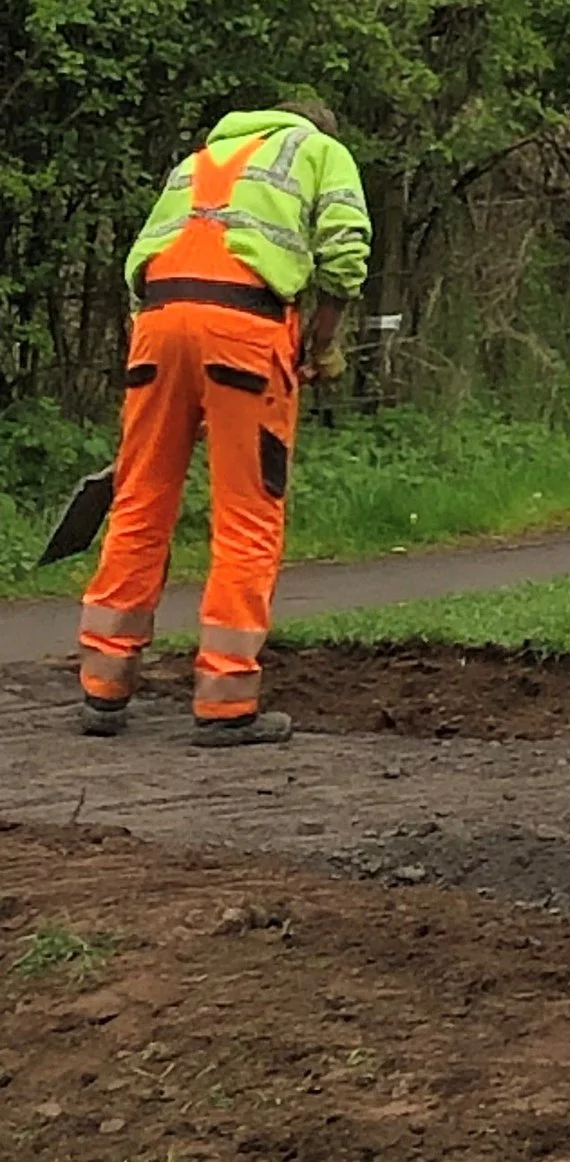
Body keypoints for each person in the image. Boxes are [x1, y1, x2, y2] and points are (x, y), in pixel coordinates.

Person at [77, 101, 372, 747]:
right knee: (248, 513)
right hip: (246, 329)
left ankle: (102, 685)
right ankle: (226, 700)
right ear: (316, 125)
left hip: (156, 326)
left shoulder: (197, 161)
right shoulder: (319, 149)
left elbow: (141, 261)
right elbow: (345, 253)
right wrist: (322, 341)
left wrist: (182, 369)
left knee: (139, 498)